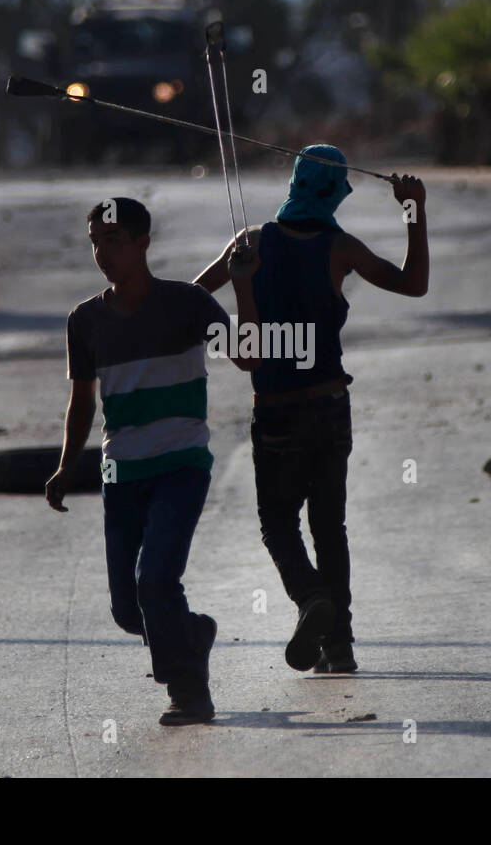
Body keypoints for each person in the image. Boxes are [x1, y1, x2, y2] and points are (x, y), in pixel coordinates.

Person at [194, 146, 428, 674]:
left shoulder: (250, 242)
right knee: (329, 527)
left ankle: (309, 599)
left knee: (278, 524)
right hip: (329, 405)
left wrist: (239, 296)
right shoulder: (340, 248)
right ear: (337, 192)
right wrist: (413, 207)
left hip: (275, 409)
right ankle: (339, 645)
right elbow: (415, 284)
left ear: (296, 183)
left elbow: (190, 300)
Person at [47, 197, 260, 725]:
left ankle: (188, 691)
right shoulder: (85, 319)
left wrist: (244, 285)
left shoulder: (187, 304)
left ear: (143, 242)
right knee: (127, 609)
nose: (102, 252)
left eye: (112, 241)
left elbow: (248, 354)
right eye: (95, 241)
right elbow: (82, 400)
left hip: (180, 464)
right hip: (120, 472)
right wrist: (66, 464)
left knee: (156, 582)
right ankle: (191, 634)